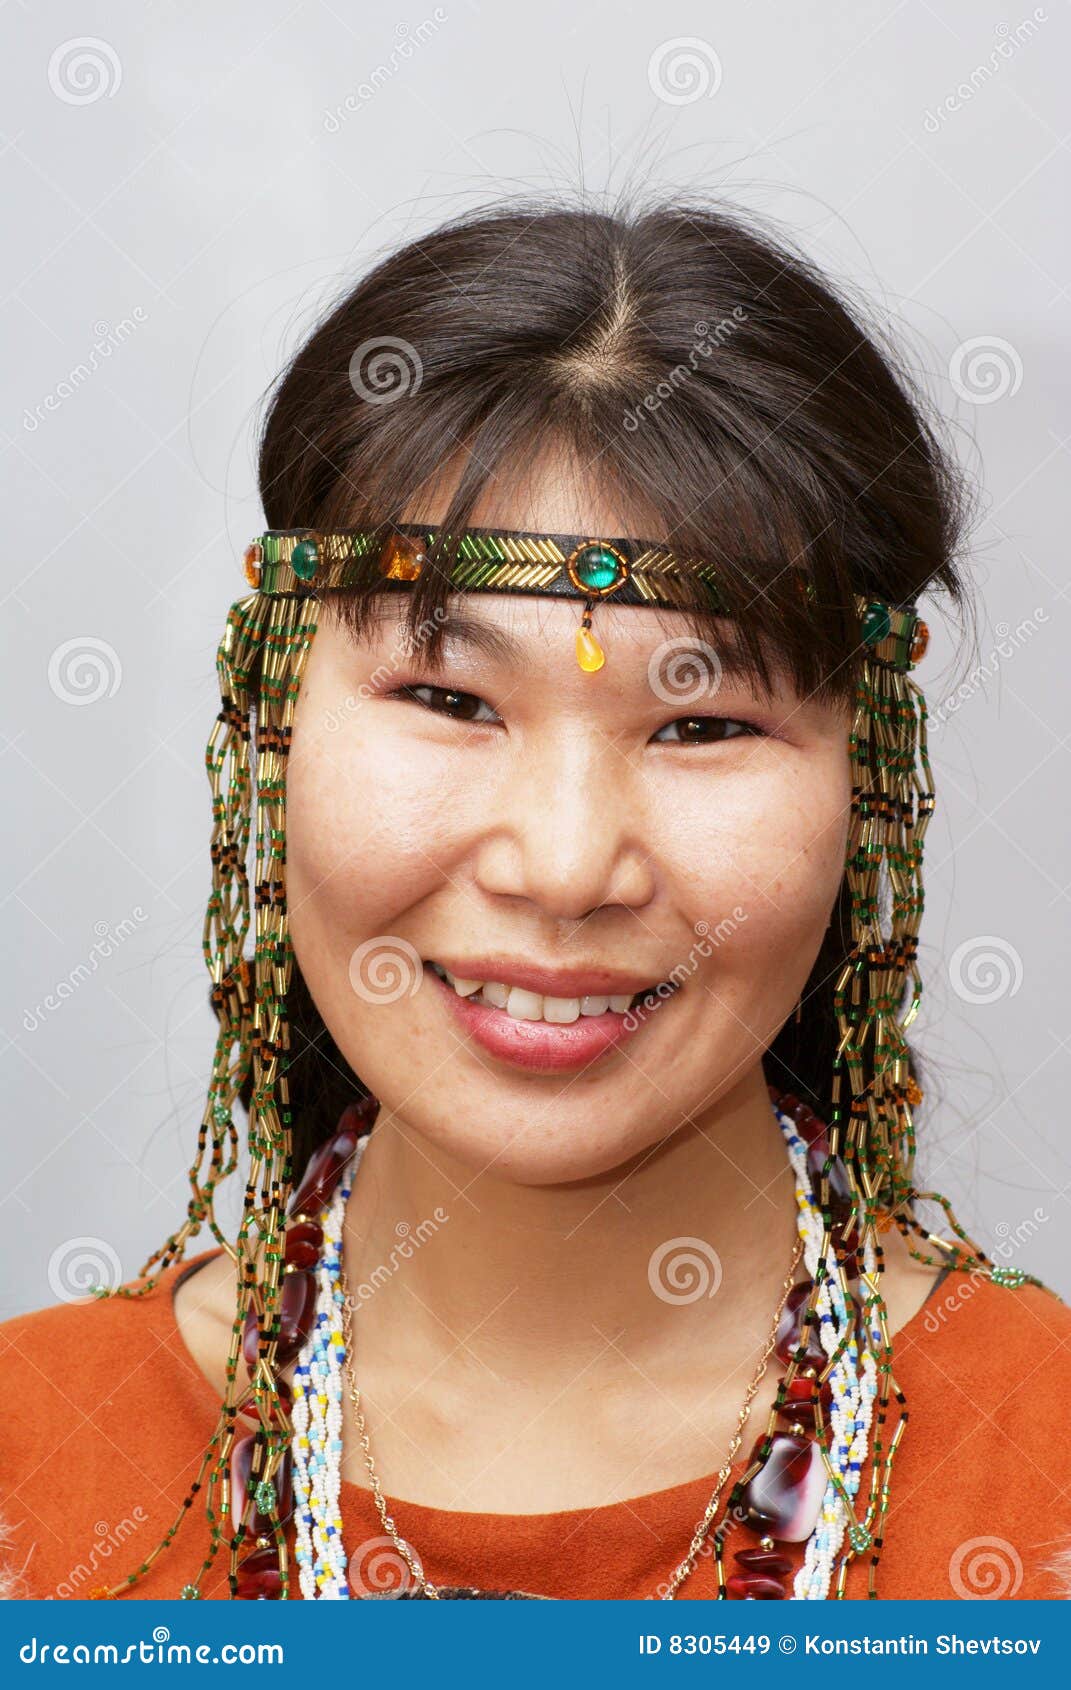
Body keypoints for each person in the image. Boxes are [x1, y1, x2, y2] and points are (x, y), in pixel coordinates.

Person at [3, 196, 1069, 1603]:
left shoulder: (1041, 1480)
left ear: (867, 785)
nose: (565, 868)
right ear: (273, 725)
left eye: (703, 723)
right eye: (449, 699)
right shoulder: (34, 1476)